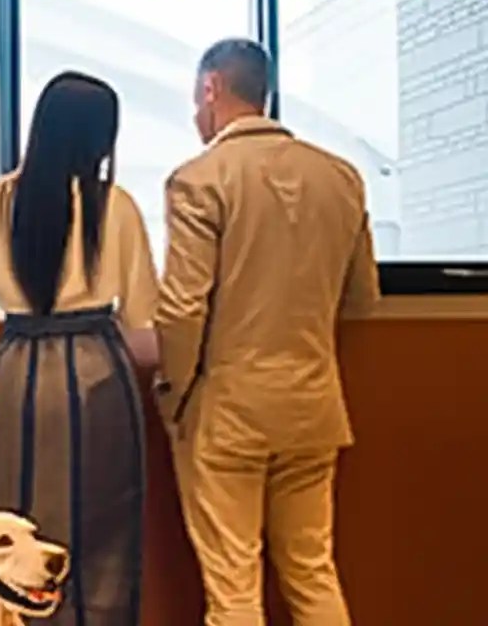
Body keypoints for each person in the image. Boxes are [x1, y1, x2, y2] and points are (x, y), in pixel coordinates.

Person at [155, 38, 381, 626]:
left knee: (234, 585)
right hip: (314, 406)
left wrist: (175, 395)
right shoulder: (342, 177)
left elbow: (182, 309)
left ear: (211, 89)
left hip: (228, 411)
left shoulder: (199, 180)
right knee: (312, 570)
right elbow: (361, 299)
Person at [0, 71, 160, 626]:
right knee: (105, 524)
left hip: (17, 374)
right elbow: (142, 312)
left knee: (14, 528)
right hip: (98, 371)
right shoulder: (116, 206)